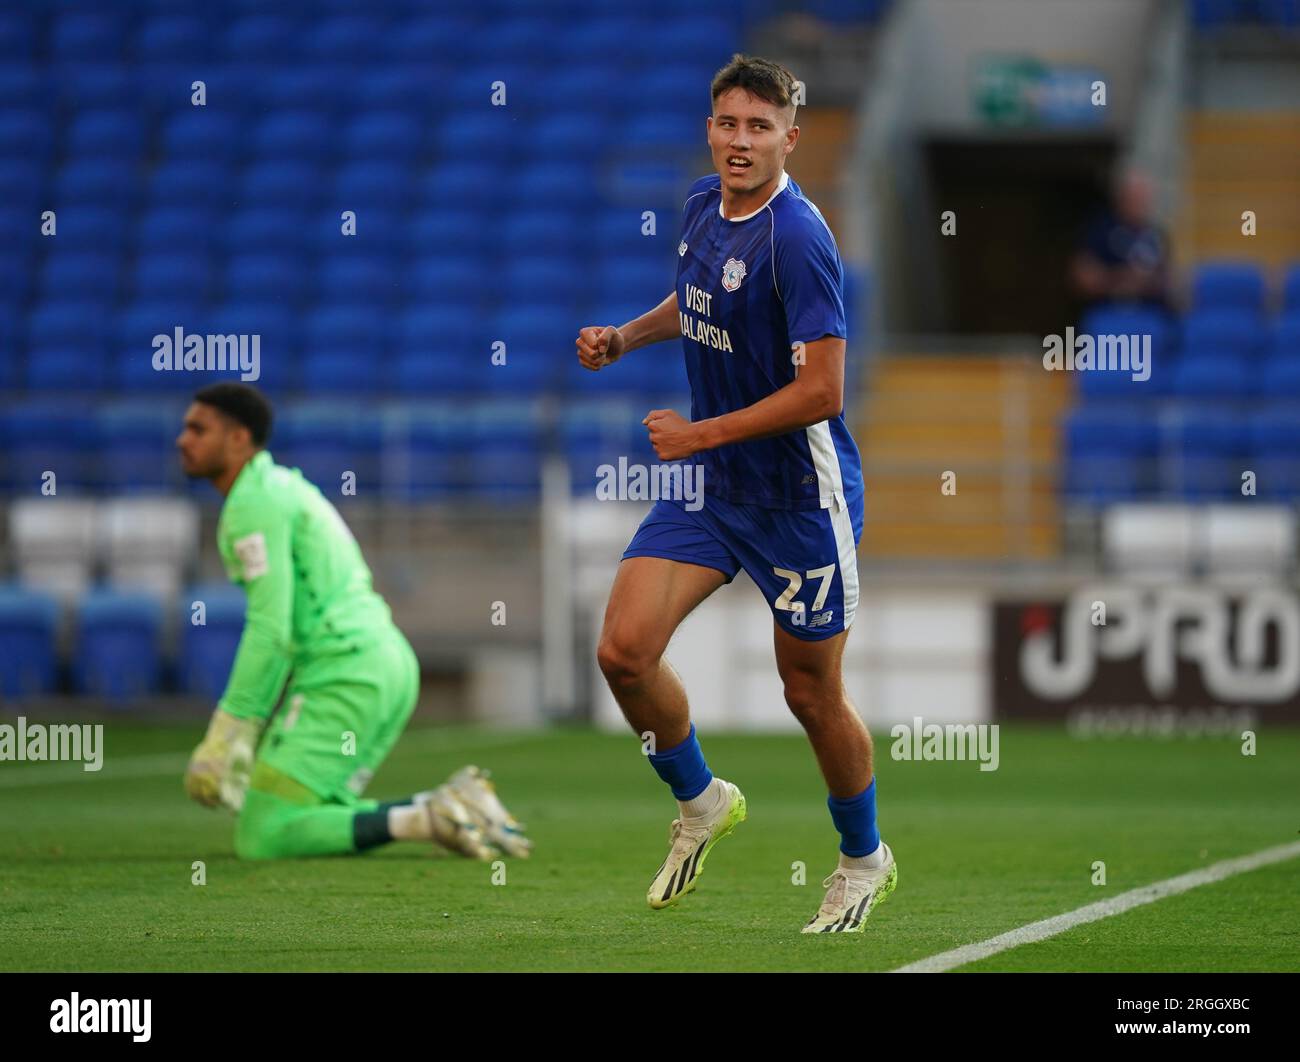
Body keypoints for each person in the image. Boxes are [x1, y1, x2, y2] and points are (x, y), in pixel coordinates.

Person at [574, 54, 895, 933]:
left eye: (761, 127)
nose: (741, 141)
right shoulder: (698, 205)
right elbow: (697, 298)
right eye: (729, 124)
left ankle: (864, 859)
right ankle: (703, 802)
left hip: (797, 498)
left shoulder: (799, 239)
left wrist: (698, 433)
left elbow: (823, 393)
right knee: (623, 651)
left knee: (809, 693)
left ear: (791, 137)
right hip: (716, 489)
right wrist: (626, 338)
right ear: (710, 128)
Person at [175, 382, 531, 861]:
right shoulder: (282, 488)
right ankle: (446, 808)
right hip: (385, 663)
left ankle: (430, 815)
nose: (183, 439)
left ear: (239, 438)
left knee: (263, 834)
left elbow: (270, 627)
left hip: (345, 672)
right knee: (317, 808)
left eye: (198, 429)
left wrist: (228, 732)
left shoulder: (252, 502)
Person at [1069, 168, 1170, 310]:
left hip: (1150, 313)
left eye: (1143, 197)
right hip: (1108, 311)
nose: (1139, 203)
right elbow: (1083, 277)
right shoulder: (1100, 232)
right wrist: (1120, 279)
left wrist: (1146, 282)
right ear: (1121, 197)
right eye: (1134, 196)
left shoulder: (1156, 236)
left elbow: (1169, 280)